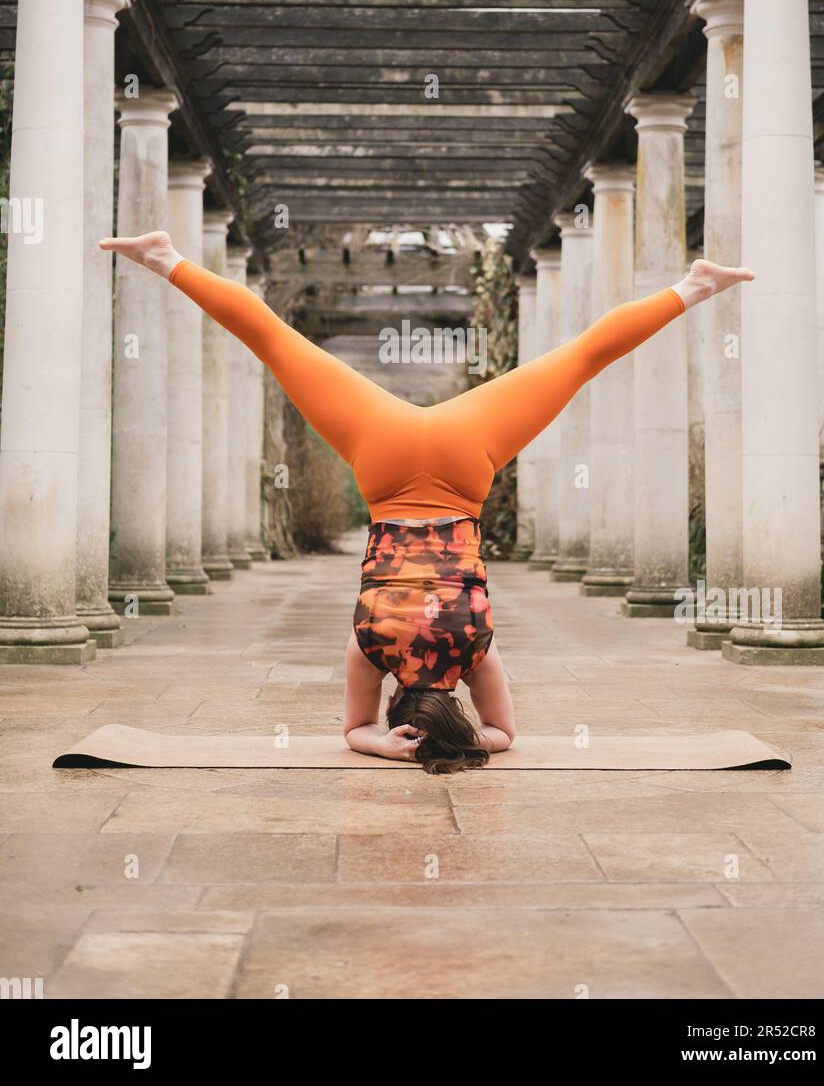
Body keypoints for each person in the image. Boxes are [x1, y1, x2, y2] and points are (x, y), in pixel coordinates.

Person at [100, 230, 754, 773]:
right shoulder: (371, 647)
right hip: (383, 462)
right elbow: (353, 728)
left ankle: (694, 286)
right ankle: (166, 257)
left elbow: (505, 734)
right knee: (275, 341)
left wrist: (467, 744)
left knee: (580, 357)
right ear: (396, 709)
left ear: (456, 709)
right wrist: (380, 743)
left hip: (465, 461)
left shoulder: (473, 649)